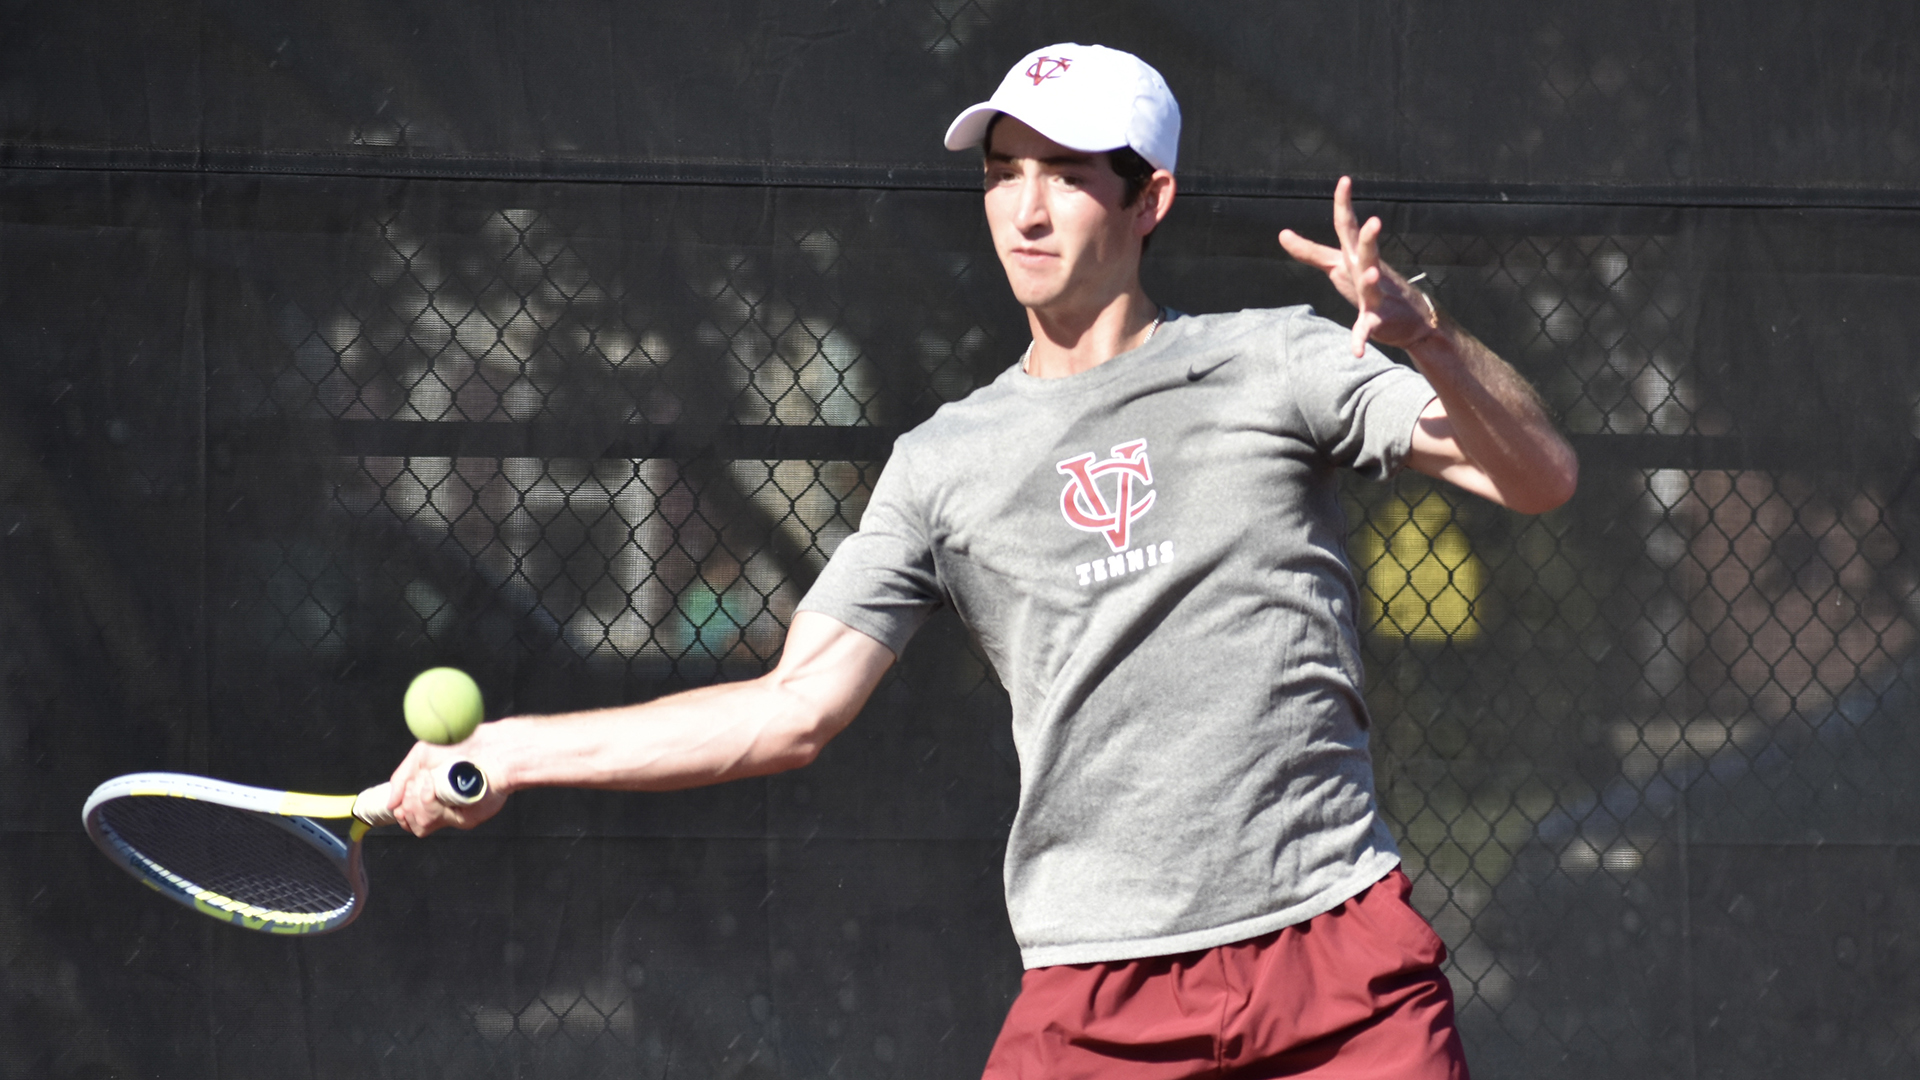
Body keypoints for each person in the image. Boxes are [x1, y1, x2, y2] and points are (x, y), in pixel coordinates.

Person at [386, 42, 1576, 1079]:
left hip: (1334, 962)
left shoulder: (1276, 363)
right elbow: (791, 711)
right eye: (1005, 175)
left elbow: (1537, 478)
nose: (1028, 210)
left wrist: (1431, 341)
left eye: (1066, 174)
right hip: (1096, 998)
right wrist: (513, 752)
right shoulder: (942, 464)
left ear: (1149, 197)